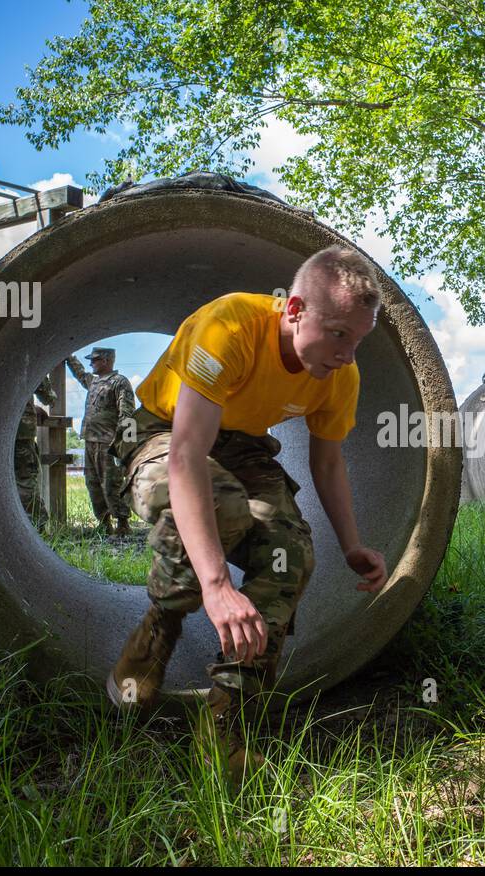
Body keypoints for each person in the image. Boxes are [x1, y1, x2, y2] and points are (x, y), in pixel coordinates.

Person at [107, 245, 389, 779]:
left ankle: (224, 724)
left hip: (242, 445)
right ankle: (159, 628)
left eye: (358, 339)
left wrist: (351, 545)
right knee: (220, 505)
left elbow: (328, 465)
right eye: (337, 333)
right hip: (165, 432)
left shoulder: (339, 375)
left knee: (291, 553)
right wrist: (214, 586)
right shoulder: (230, 327)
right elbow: (189, 455)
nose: (347, 354)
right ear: (295, 309)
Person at [65, 347, 136, 535]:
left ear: (105, 360)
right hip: (90, 441)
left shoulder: (119, 382)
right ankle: (104, 523)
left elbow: (127, 413)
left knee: (112, 483)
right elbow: (80, 373)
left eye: (94, 360)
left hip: (108, 443)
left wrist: (126, 445)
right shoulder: (93, 382)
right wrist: (67, 355)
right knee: (93, 483)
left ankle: (122, 523)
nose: (91, 363)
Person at [14, 375, 58, 527]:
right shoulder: (25, 359)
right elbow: (48, 396)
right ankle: (38, 527)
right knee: (25, 480)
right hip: (20, 432)